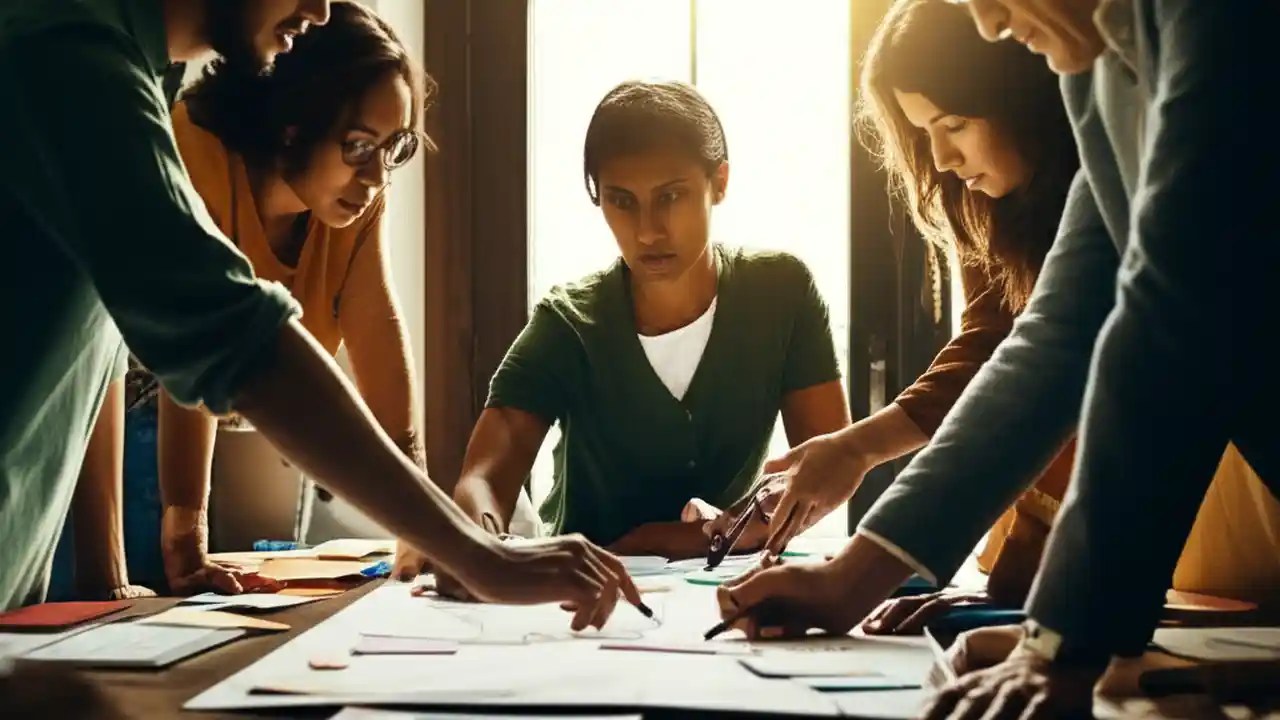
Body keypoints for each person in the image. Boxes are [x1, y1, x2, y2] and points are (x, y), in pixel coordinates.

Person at [0, 0, 638, 630]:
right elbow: (226, 334)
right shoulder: (69, 50)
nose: (321, 9)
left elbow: (100, 338)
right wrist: (475, 552)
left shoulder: (133, 66)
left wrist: (432, 528)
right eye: (359, 144)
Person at [716, 0, 1278, 716]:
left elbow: (1170, 319)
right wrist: (851, 579)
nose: (985, 25)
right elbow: (1054, 336)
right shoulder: (1092, 69)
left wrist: (1063, 643)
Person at [706, 0, 1081, 622]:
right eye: (923, 133)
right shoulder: (996, 204)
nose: (941, 161)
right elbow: (1009, 351)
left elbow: (1049, 361)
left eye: (955, 123)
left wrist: (857, 464)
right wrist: (1005, 602)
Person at [71, 0, 436, 596]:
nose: (376, 177)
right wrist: (181, 534)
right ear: (295, 124)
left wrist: (420, 531)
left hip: (229, 433)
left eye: (393, 148)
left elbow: (380, 333)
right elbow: (203, 341)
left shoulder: (358, 195)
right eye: (359, 146)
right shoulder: (192, 148)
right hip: (120, 437)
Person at [440, 80, 850, 562]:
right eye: (622, 201)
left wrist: (684, 537)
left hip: (721, 582)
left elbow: (829, 467)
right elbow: (483, 478)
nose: (648, 230)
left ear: (719, 182)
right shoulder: (568, 324)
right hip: (580, 591)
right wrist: (482, 543)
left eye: (670, 197)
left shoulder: (782, 293)